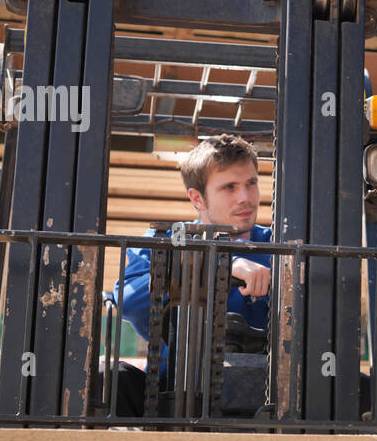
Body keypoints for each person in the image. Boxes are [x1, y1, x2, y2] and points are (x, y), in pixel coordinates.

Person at [110, 134, 272, 416]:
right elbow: (130, 301)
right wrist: (218, 263)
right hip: (173, 398)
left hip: (264, 400)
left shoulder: (280, 248)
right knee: (109, 377)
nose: (246, 198)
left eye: (251, 183)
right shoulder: (167, 241)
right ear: (198, 198)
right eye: (229, 187)